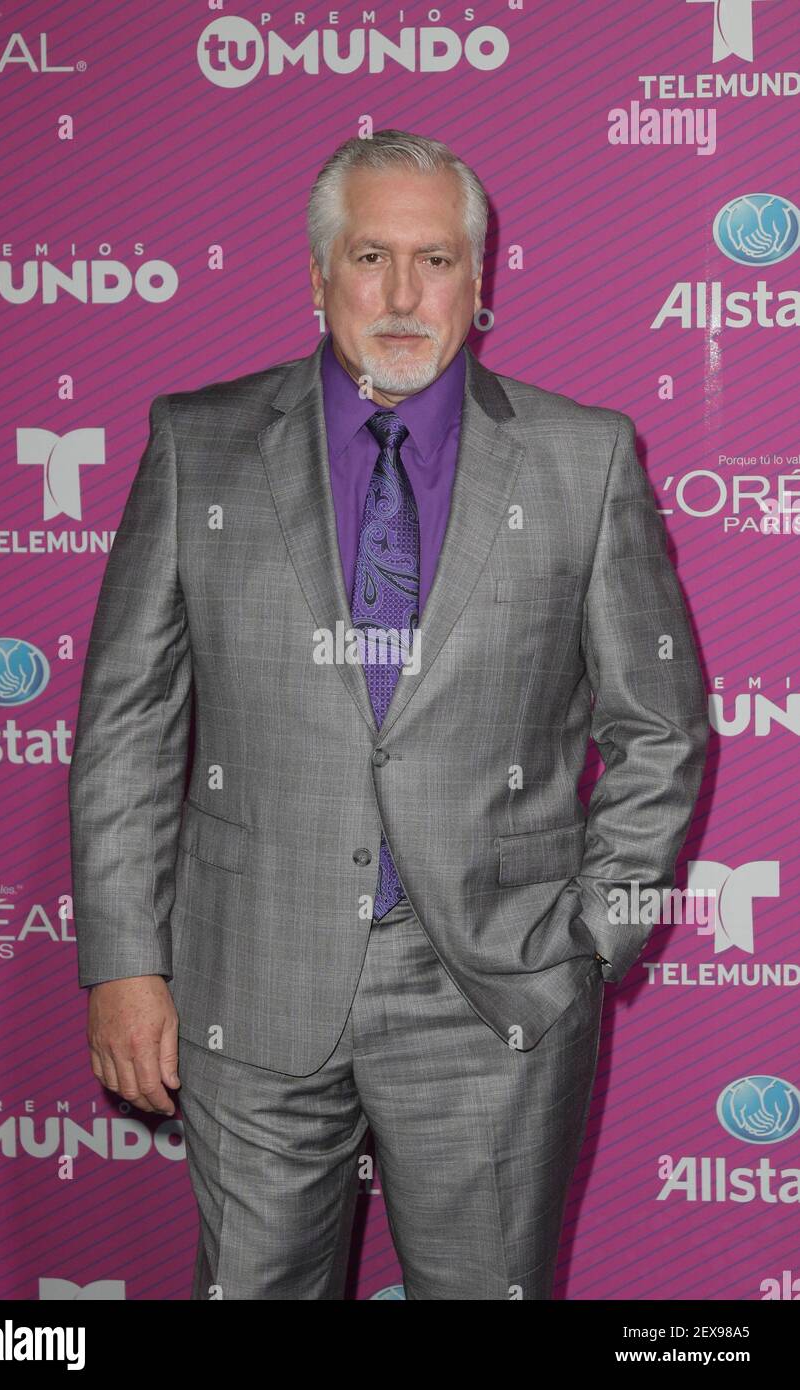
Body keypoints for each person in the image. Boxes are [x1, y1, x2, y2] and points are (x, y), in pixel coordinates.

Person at [68, 129, 709, 1300]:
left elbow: (658, 727)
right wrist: (121, 960)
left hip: (491, 990)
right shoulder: (195, 445)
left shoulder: (584, 459)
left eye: (437, 260)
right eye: (371, 258)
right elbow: (127, 723)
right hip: (248, 979)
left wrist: (583, 942)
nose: (404, 296)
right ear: (317, 278)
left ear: (480, 279)